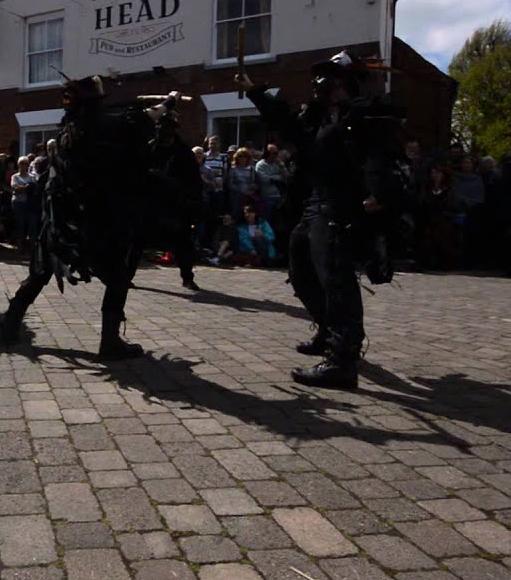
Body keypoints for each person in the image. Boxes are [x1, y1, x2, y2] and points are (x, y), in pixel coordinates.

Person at [242, 51, 404, 389]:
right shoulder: (318, 117)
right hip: (315, 203)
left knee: (337, 281)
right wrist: (256, 92)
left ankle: (343, 360)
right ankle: (326, 332)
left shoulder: (361, 116)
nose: (315, 84)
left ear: (341, 82)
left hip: (342, 205)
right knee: (301, 270)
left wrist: (376, 192)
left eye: (324, 78)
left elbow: (376, 157)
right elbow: (288, 127)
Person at [0, 78, 173, 360]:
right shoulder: (102, 126)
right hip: (93, 220)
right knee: (117, 278)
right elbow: (141, 120)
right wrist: (166, 105)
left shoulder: (70, 129)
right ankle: (110, 342)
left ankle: (9, 325)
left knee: (41, 272)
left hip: (63, 216)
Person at [149, 110, 202, 290]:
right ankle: (127, 275)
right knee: (137, 238)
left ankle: (187, 276)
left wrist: (192, 202)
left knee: (183, 242)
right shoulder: (152, 148)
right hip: (153, 201)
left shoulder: (183, 152)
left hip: (177, 204)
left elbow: (194, 180)